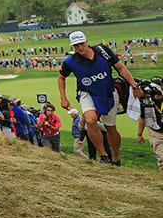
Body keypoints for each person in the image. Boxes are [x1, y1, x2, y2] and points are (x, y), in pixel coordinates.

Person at [58, 30, 143, 166]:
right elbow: (61, 77)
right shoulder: (70, 62)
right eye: (76, 46)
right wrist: (63, 98)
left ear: (86, 42)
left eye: (81, 44)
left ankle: (115, 158)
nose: (80, 48)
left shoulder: (102, 51)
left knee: (110, 128)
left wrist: (134, 86)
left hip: (108, 92)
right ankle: (104, 155)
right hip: (87, 93)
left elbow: (120, 68)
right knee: (90, 121)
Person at [136, 77, 163, 172]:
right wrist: (139, 134)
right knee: (162, 158)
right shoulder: (147, 100)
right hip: (156, 132)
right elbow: (143, 117)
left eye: (159, 85)